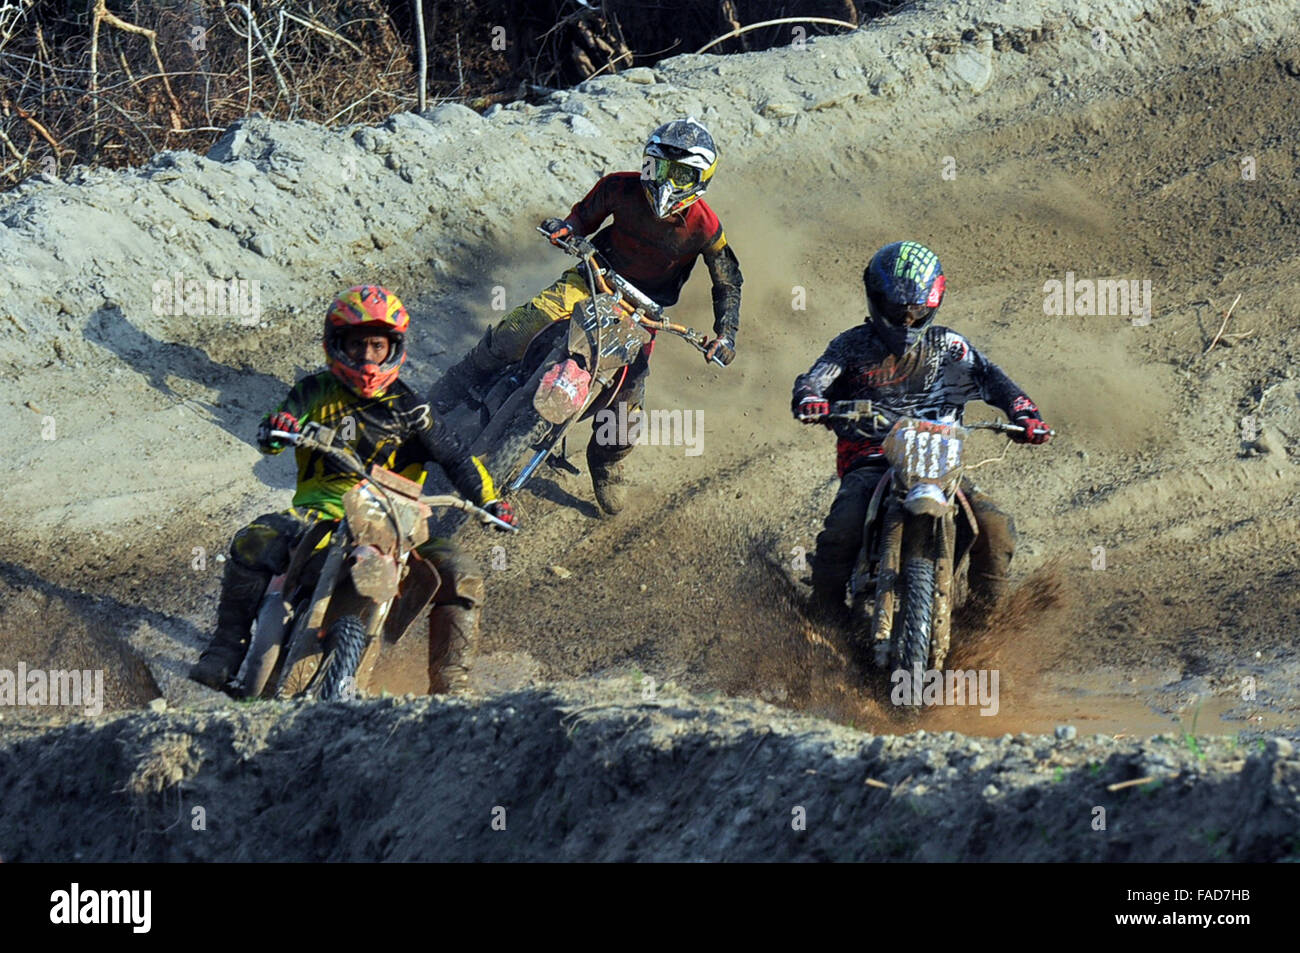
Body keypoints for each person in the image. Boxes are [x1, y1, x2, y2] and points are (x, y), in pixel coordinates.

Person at [189, 285, 515, 695]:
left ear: (393, 348)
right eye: (357, 345)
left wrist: (490, 502)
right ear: (335, 345)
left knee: (461, 574)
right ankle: (224, 651)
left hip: (398, 525)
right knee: (253, 540)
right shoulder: (315, 391)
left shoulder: (412, 409)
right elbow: (276, 429)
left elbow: (458, 458)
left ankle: (452, 686)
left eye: (377, 346)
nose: (366, 357)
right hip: (319, 515)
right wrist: (280, 429)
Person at [429, 117, 743, 515]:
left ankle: (608, 463)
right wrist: (567, 229)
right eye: (658, 166)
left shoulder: (706, 226)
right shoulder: (618, 186)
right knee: (522, 327)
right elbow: (582, 218)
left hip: (644, 314)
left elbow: (728, 281)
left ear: (699, 178)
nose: (663, 180)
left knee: (628, 401)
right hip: (592, 278)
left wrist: (725, 334)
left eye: (679, 172)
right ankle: (460, 380)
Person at [791, 241, 1052, 625]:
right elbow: (815, 379)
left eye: (918, 311)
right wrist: (811, 399)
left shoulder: (948, 346)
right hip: (872, 460)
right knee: (843, 525)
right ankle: (823, 616)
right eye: (899, 310)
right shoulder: (850, 346)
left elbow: (992, 378)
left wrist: (1024, 413)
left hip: (939, 465)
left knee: (996, 529)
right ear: (876, 299)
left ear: (934, 304)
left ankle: (984, 625)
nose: (908, 321)